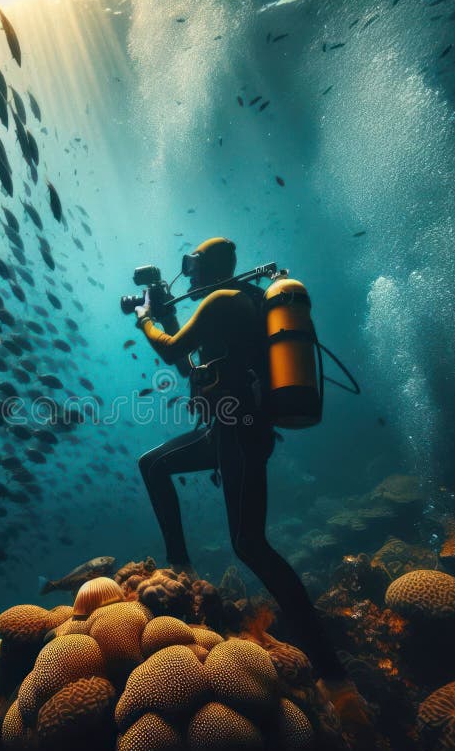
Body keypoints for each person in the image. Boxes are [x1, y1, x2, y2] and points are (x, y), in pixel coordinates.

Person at [134, 237, 350, 688]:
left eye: (191, 269)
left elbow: (171, 349)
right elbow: (192, 367)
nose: (187, 278)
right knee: (153, 466)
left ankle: (330, 666)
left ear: (207, 269)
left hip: (240, 435)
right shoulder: (241, 301)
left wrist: (147, 318)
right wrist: (167, 319)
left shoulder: (221, 300)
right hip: (228, 432)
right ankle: (181, 566)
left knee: (250, 545)